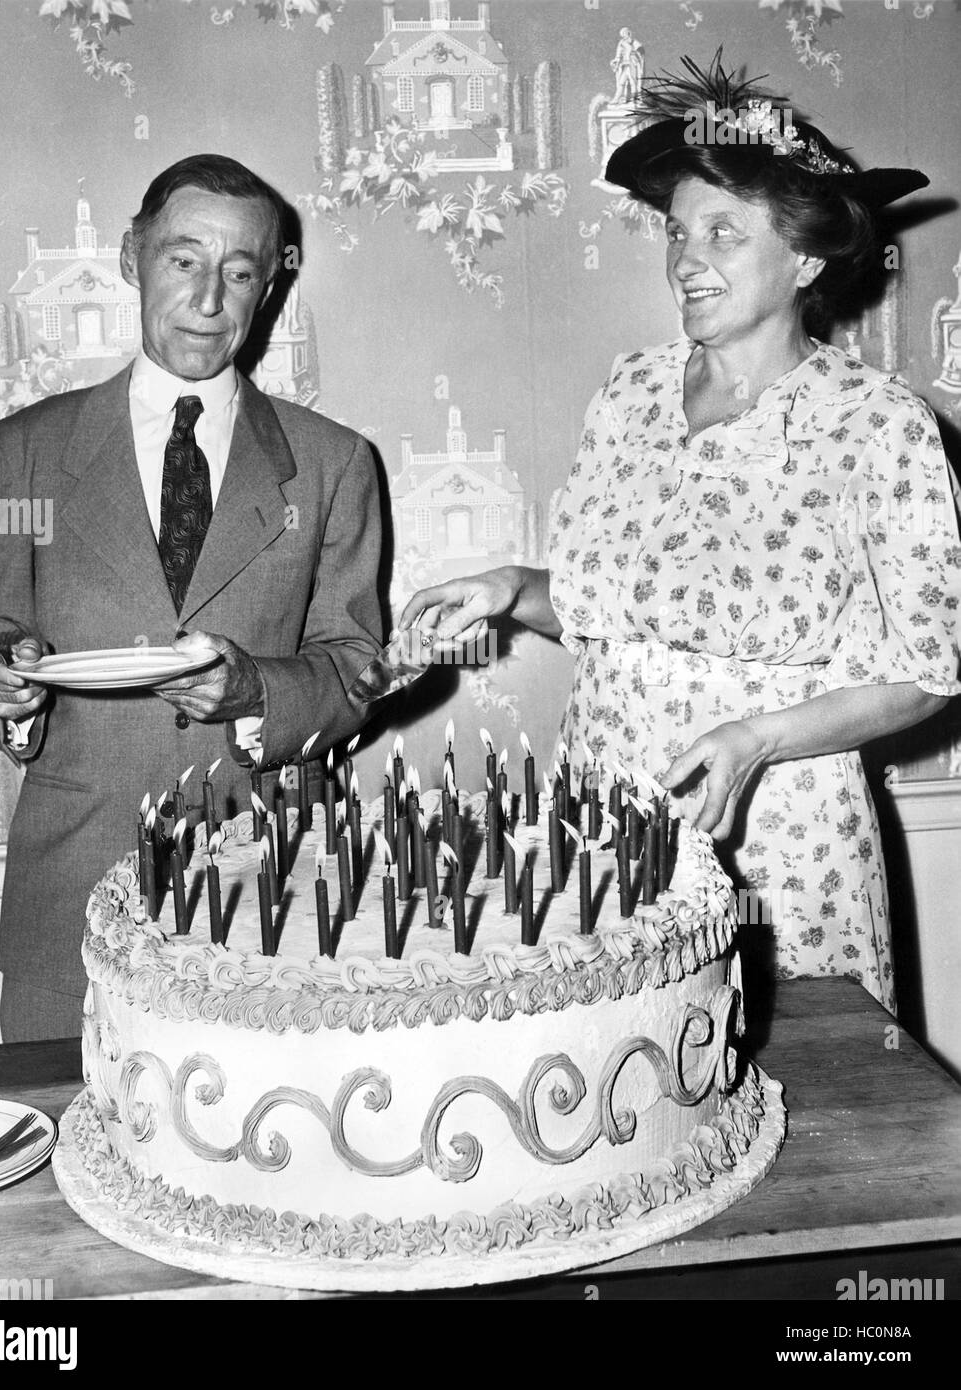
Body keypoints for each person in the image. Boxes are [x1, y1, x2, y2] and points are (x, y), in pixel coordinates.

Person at [400, 55, 961, 1013]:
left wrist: (754, 739)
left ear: (806, 260)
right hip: (604, 818)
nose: (685, 260)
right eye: (676, 232)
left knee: (781, 1111)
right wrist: (508, 586)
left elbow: (928, 669)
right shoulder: (628, 392)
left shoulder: (876, 424)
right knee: (618, 1108)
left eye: (723, 234)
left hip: (777, 834)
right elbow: (605, 612)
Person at [0, 155, 384, 1040]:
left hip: (270, 895)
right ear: (131, 257)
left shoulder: (334, 462)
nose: (210, 298)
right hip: (71, 897)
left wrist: (258, 691)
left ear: (268, 290)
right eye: (184, 261)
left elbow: (358, 666)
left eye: (240, 271)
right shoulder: (26, 448)